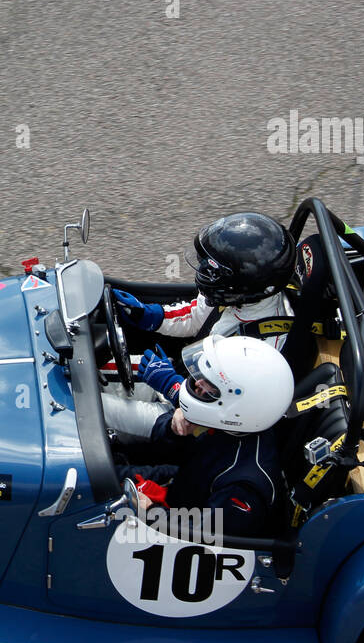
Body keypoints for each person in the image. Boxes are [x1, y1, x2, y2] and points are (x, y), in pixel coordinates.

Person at [117, 333, 294, 537]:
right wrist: (174, 430)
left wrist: (150, 511)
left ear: (237, 407)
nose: (198, 383)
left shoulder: (243, 488)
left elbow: (202, 538)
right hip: (178, 491)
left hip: (179, 532)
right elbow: (186, 468)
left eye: (211, 386)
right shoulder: (233, 425)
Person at [112, 212, 297, 352]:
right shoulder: (238, 298)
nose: (202, 271)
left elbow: (215, 399)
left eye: (213, 271)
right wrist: (148, 314)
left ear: (240, 285)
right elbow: (197, 316)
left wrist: (169, 384)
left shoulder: (253, 349)